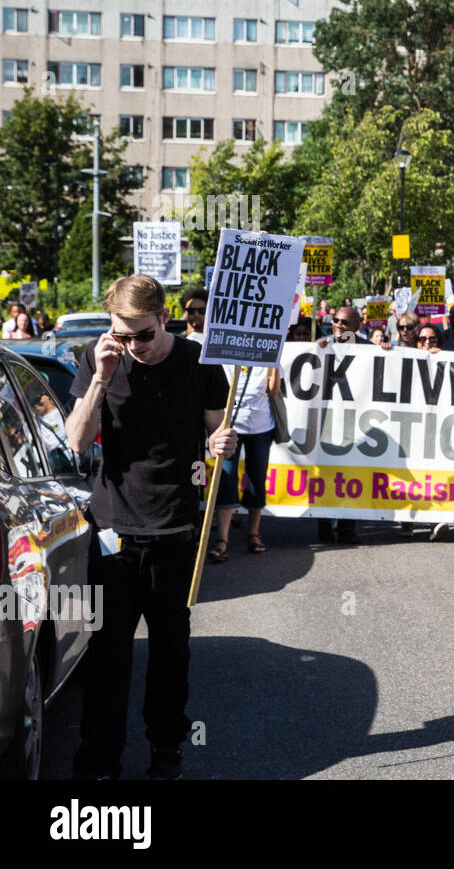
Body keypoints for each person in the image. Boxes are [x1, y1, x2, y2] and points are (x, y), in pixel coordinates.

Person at [64, 274, 235, 780]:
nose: (133, 345)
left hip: (175, 529)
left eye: (143, 334)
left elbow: (219, 435)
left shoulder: (198, 362)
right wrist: (100, 375)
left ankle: (166, 750)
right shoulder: (100, 360)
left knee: (170, 652)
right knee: (107, 657)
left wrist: (223, 445)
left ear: (165, 318)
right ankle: (99, 762)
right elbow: (76, 441)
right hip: (113, 532)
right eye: (122, 334)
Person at [209, 366, 280, 562]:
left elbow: (273, 391)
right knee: (226, 479)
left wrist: (273, 365)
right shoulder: (227, 356)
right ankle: (222, 540)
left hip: (261, 428)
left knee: (256, 479)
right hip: (229, 427)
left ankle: (254, 534)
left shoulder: (267, 353)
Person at [315, 306, 362, 543]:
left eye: (345, 323)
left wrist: (386, 350)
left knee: (352, 476)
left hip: (355, 425)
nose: (339, 326)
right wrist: (316, 349)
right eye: (336, 321)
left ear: (357, 327)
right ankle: (324, 527)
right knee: (326, 476)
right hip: (326, 423)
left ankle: (346, 528)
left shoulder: (369, 350)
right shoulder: (321, 346)